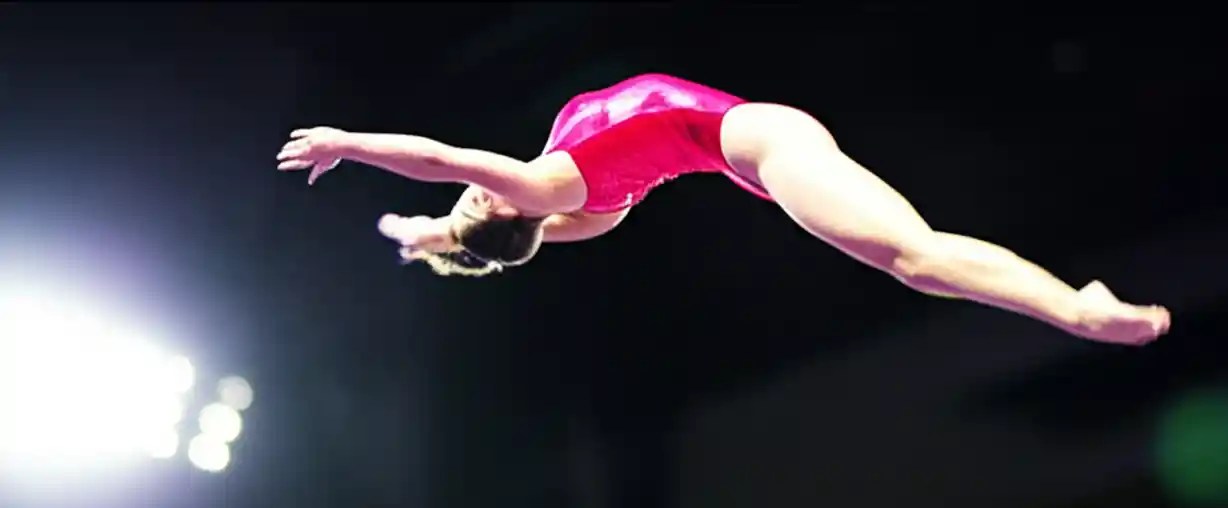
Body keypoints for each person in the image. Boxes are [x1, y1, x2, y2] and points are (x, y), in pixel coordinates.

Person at [276, 73, 1170, 345]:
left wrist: (430, 235)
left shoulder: (570, 210)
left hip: (751, 149)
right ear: (509, 208)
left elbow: (488, 234)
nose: (487, 179)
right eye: (486, 195)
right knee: (917, 258)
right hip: (760, 146)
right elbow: (440, 163)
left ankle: (1072, 304)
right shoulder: (548, 195)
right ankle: (1076, 307)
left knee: (917, 260)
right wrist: (346, 142)